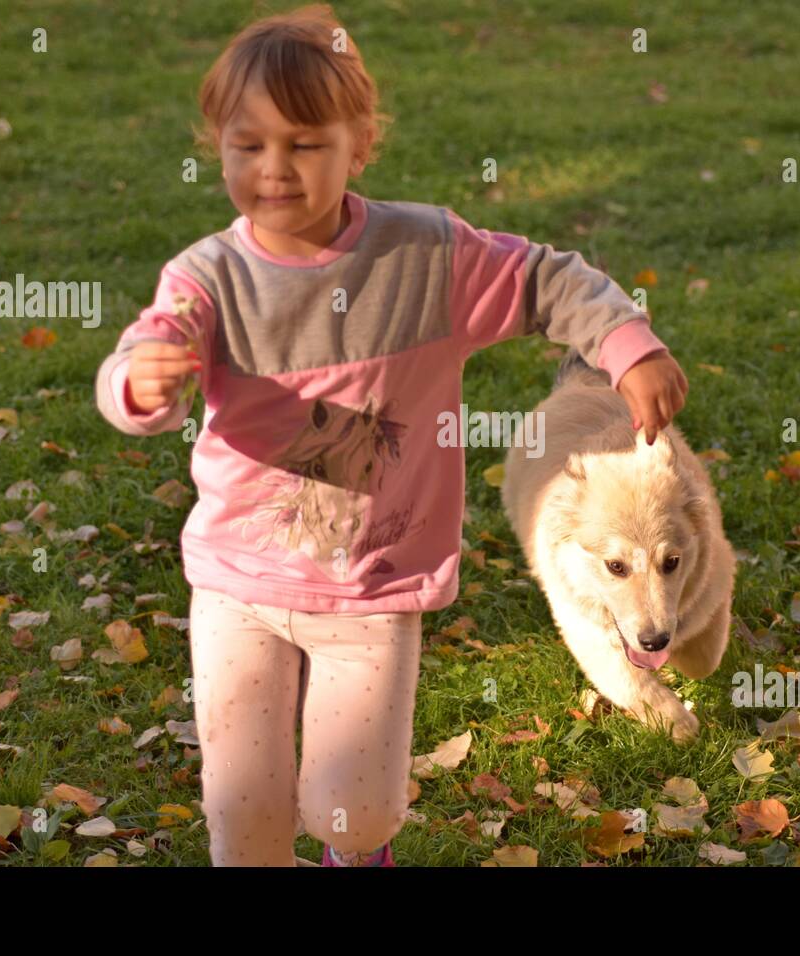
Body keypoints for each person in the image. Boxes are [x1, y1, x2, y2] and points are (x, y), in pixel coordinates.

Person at [93, 3, 688, 867]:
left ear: (361, 142)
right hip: (239, 582)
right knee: (243, 820)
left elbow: (547, 279)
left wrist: (626, 343)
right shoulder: (208, 278)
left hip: (374, 587)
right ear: (216, 144)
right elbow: (148, 350)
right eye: (247, 145)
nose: (275, 169)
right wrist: (140, 382)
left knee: (356, 814)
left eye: (305, 144)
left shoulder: (425, 258)